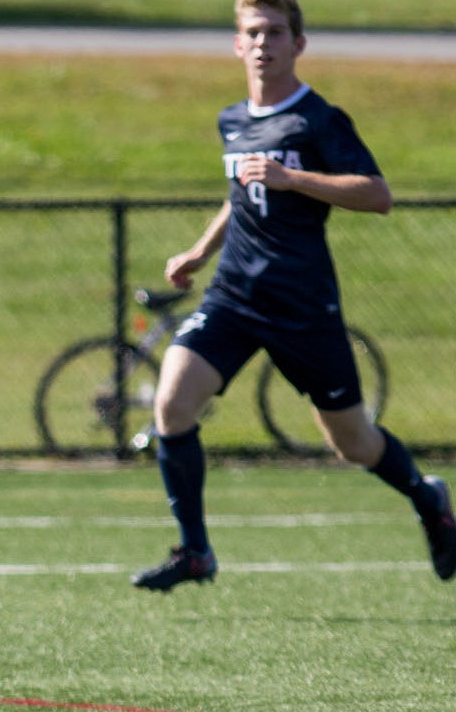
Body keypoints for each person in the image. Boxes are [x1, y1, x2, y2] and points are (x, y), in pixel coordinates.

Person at [131, 0, 455, 592]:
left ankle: (427, 496)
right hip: (233, 297)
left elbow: (376, 194)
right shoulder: (232, 119)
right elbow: (241, 193)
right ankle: (196, 552)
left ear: (298, 44)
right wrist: (200, 253)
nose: (262, 43)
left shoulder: (317, 120)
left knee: (352, 442)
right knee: (173, 403)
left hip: (302, 305)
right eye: (252, 32)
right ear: (237, 44)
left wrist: (295, 178)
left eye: (275, 32)